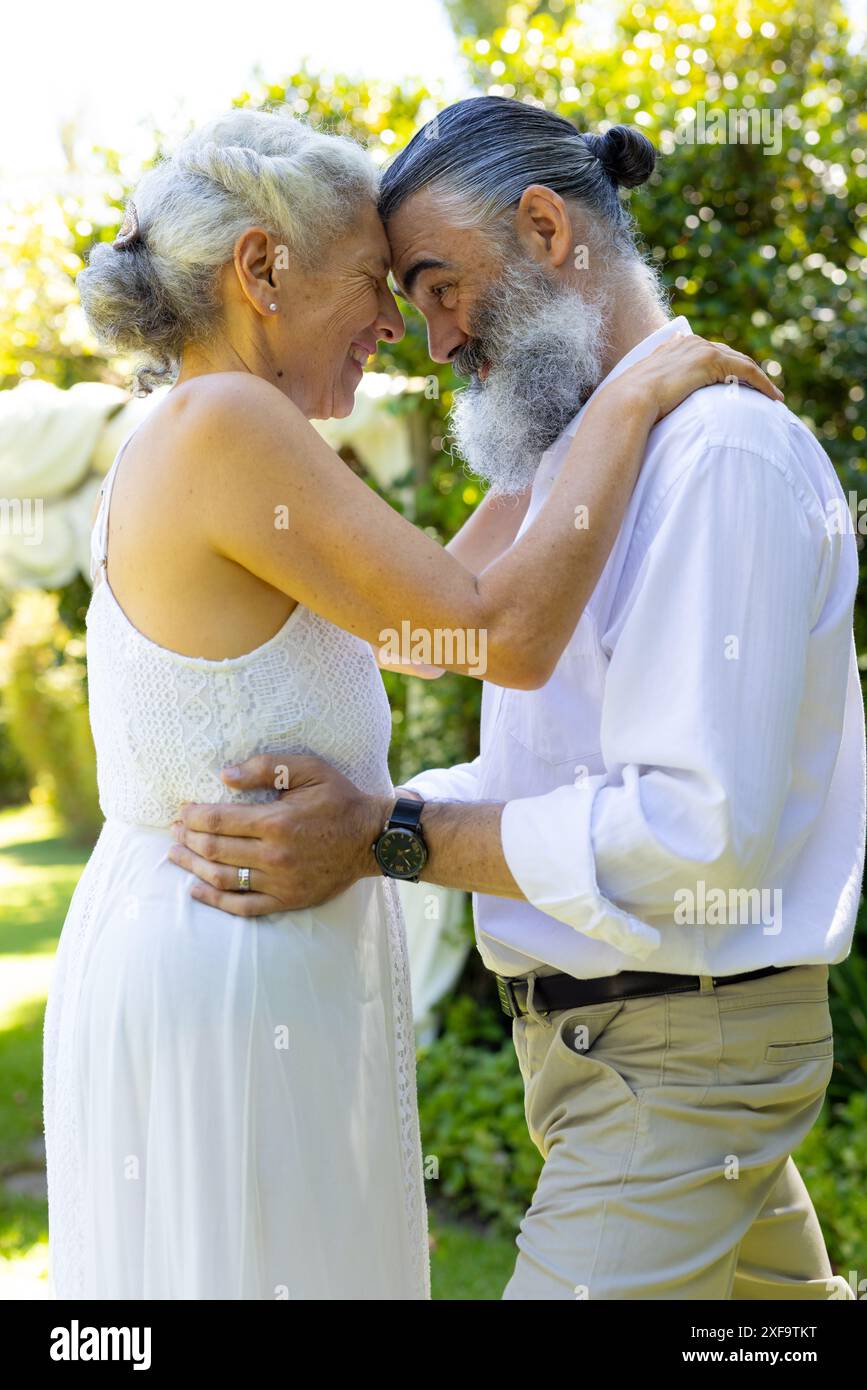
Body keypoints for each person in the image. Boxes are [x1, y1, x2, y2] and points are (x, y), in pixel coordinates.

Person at [42, 105, 763, 1300]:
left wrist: (588, 392)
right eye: (375, 281)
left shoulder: (205, 426)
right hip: (228, 961)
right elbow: (499, 634)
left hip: (226, 942)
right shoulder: (229, 424)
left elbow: (441, 616)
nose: (395, 324)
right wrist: (635, 396)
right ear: (261, 270)